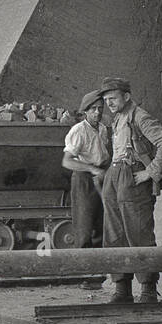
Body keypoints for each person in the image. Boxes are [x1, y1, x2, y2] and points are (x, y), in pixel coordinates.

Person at [98, 77, 162, 304]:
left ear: (126, 96)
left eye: (113, 98)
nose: (109, 103)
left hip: (132, 180)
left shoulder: (139, 116)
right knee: (114, 235)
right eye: (106, 100)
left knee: (139, 234)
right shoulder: (118, 118)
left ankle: (148, 291)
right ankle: (122, 290)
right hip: (115, 177)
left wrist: (151, 172)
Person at [62, 89, 109, 276]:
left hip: (101, 177)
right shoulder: (78, 131)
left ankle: (97, 273)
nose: (97, 112)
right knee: (84, 226)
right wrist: (91, 169)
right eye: (93, 109)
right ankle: (83, 273)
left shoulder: (103, 128)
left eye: (100, 108)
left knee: (102, 223)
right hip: (84, 180)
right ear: (85, 111)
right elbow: (67, 161)